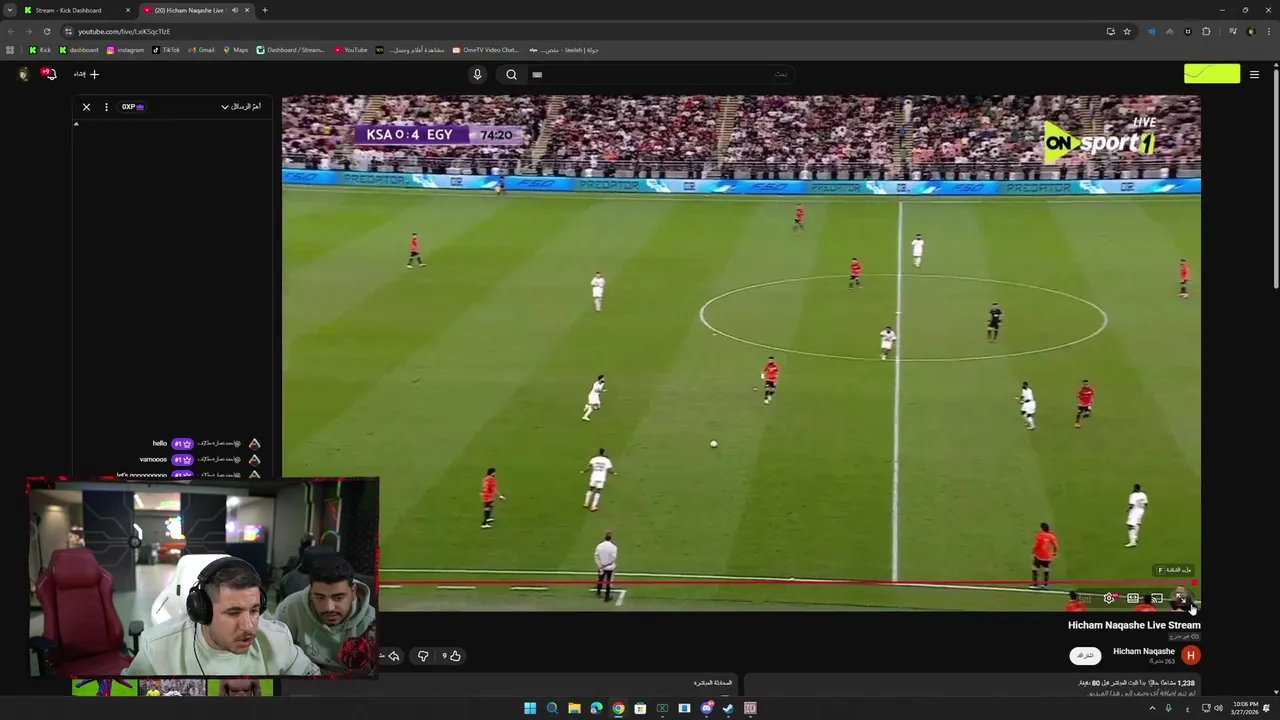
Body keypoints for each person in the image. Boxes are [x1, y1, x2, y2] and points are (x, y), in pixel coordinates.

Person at [124, 557, 319, 676]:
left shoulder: (277, 639)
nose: (249, 626)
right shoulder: (158, 649)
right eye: (233, 613)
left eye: (254, 610)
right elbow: (126, 697)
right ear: (202, 611)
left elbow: (313, 684)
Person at [269, 555, 377, 675]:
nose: (328, 608)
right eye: (320, 597)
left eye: (338, 598)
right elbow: (275, 657)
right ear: (310, 592)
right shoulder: (290, 608)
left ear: (353, 592)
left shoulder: (373, 622)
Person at [1031, 522, 1058, 590]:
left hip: (1039, 556)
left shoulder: (1040, 535)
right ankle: (1045, 585)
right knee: (1046, 568)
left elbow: (1036, 545)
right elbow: (1055, 546)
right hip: (1048, 557)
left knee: (1035, 567)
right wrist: (1054, 553)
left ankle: (1035, 584)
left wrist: (1033, 552)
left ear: (1041, 528)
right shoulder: (1051, 536)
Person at [594, 532, 618, 603]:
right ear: (611, 538)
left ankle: (598, 593)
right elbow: (614, 558)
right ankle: (607, 597)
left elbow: (596, 556)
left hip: (601, 566)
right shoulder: (614, 547)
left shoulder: (599, 546)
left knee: (600, 579)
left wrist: (599, 565)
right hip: (610, 567)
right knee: (609, 582)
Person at [1126, 483, 1149, 548]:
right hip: (1141, 511)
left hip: (1134, 511)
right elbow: (1146, 503)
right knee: (1137, 524)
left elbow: (1131, 505)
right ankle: (1135, 537)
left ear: (1135, 488)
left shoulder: (1133, 495)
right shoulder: (1143, 494)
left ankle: (1132, 542)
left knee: (1130, 525)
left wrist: (1128, 509)